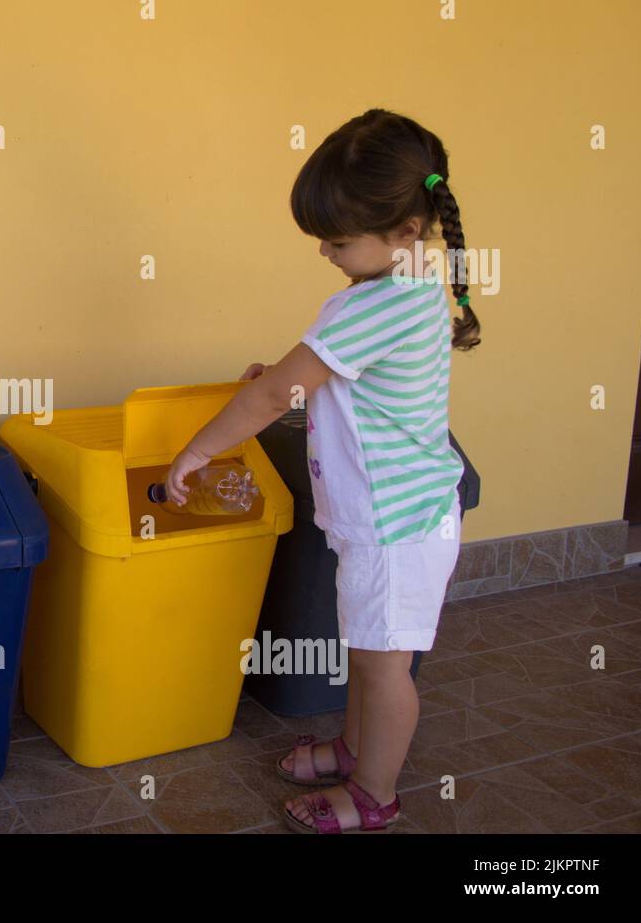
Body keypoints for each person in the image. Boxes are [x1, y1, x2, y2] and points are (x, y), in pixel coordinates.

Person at [164, 109, 482, 833]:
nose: (326, 253)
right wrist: (283, 378)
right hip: (393, 515)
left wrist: (200, 449)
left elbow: (280, 392)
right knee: (370, 652)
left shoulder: (379, 302)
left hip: (393, 526)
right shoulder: (404, 283)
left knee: (380, 666)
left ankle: (376, 795)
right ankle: (356, 749)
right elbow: (323, 379)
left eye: (336, 241)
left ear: (403, 231)